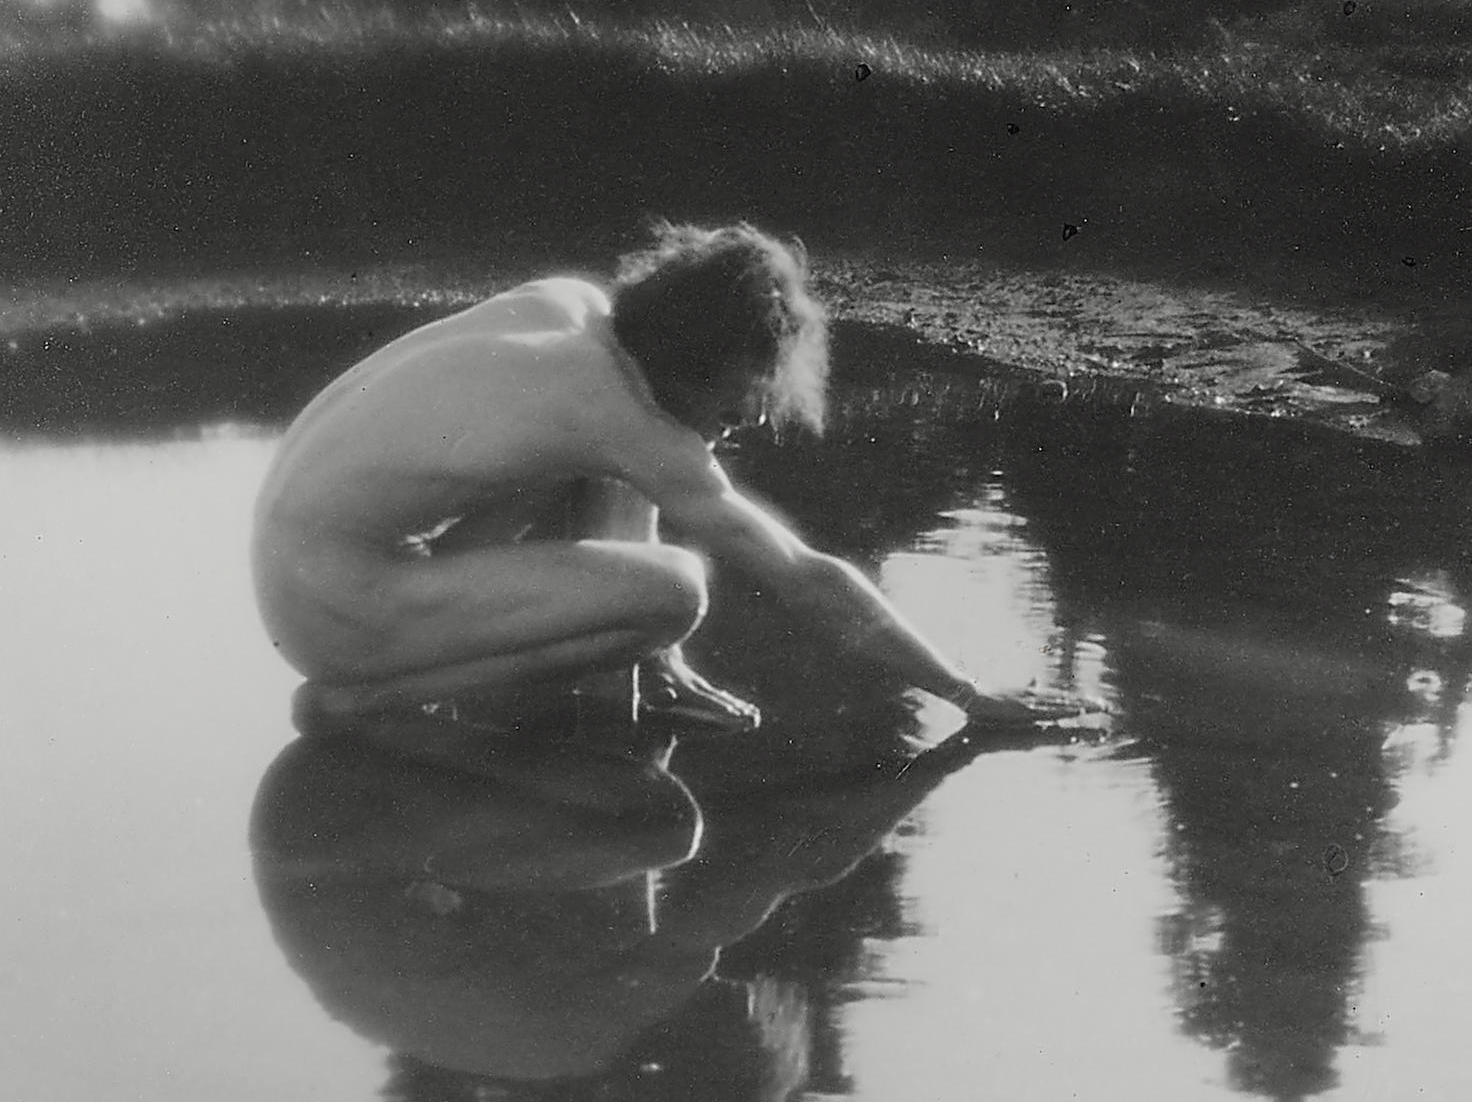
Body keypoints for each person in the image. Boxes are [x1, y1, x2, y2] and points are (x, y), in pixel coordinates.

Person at [251, 220, 1088, 739]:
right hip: (332, 610)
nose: (752, 418)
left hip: (294, 560)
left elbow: (625, 450)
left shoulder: (576, 315)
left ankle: (660, 672)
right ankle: (370, 700)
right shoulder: (617, 416)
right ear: (693, 361)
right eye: (738, 395)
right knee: (676, 593)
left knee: (626, 466)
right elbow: (802, 575)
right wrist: (966, 692)